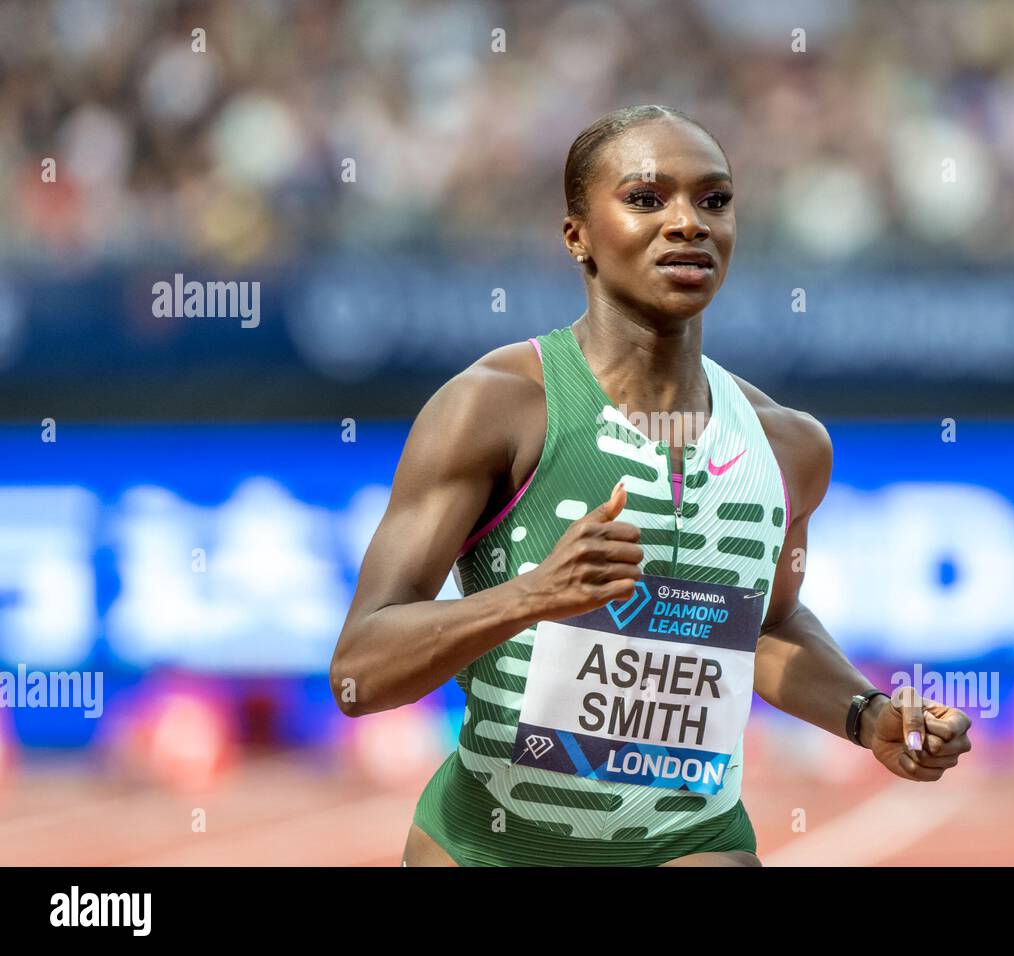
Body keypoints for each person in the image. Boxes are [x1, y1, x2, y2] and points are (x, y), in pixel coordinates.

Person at [330, 105, 972, 867]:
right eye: (645, 199)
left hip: (692, 844)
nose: (689, 223)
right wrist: (534, 596)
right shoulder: (495, 406)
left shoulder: (788, 445)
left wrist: (865, 716)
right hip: (490, 843)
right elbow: (357, 676)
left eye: (714, 200)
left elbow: (763, 628)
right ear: (578, 237)